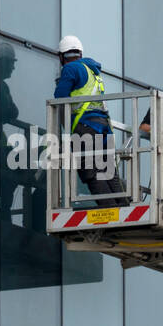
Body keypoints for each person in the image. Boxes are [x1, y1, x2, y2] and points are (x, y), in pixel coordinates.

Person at [53, 35, 127, 204]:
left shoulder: (71, 68)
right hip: (103, 127)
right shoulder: (92, 71)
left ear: (62, 56)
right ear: (80, 53)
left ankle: (111, 211)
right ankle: (123, 208)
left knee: (90, 172)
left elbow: (59, 96)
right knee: (108, 172)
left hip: (85, 127)